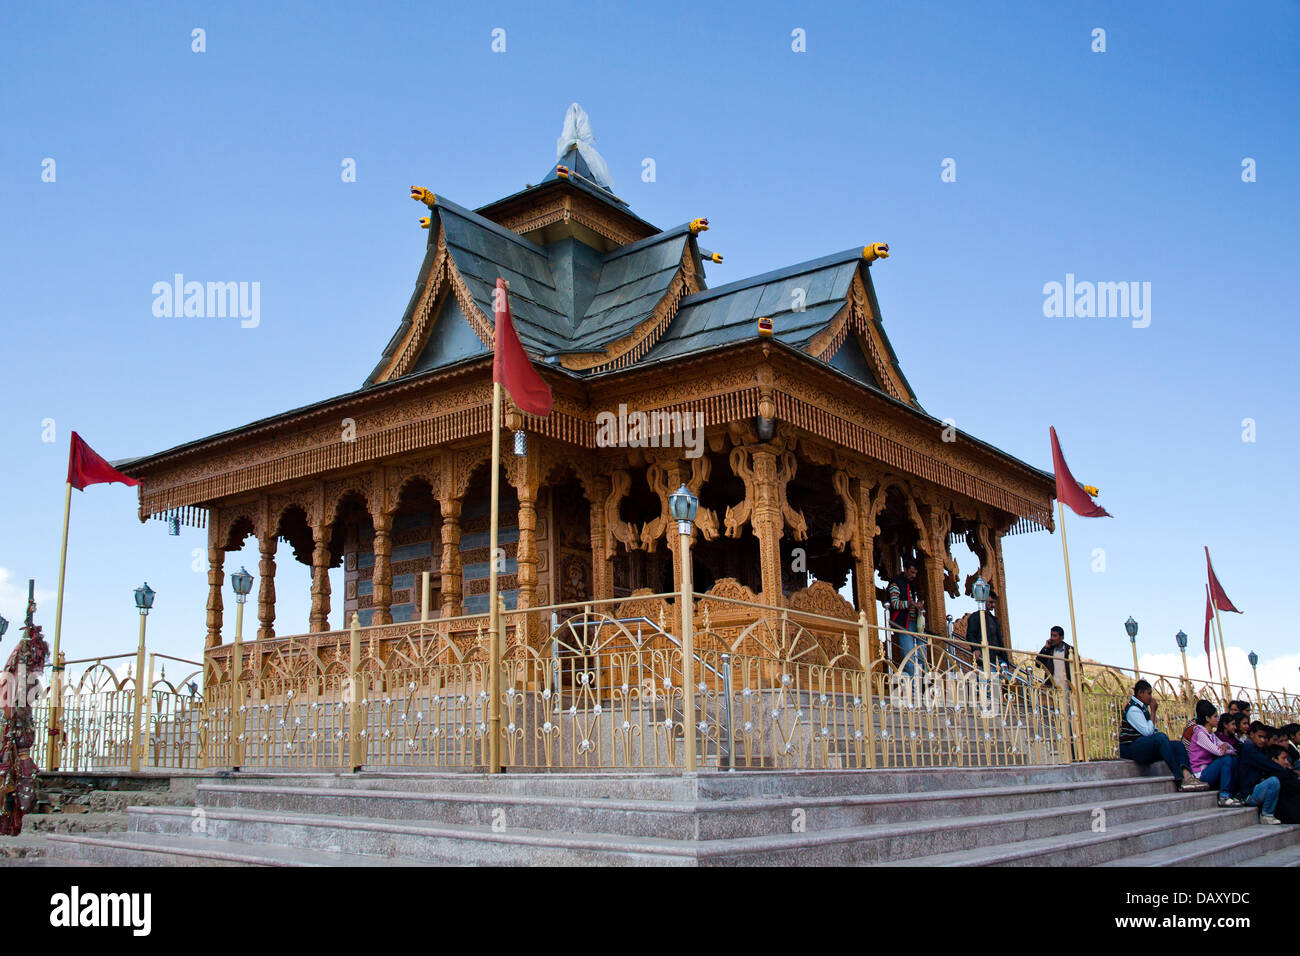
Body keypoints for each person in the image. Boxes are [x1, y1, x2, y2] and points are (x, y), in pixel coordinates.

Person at [1119, 680, 1208, 791]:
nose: (1151, 697)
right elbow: (1148, 732)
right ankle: (1179, 778)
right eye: (1148, 693)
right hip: (1131, 748)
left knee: (1177, 746)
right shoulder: (1133, 709)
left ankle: (1187, 776)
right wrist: (1153, 712)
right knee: (1160, 737)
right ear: (1140, 693)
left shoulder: (1142, 708)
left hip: (1142, 745)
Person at [1186, 701, 1241, 807]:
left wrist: (1225, 744)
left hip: (1210, 770)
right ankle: (1224, 796)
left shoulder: (1211, 734)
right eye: (1215, 716)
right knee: (1226, 759)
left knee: (1233, 759)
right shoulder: (1200, 734)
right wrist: (1227, 749)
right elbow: (1219, 752)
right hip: (1201, 774)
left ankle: (1232, 793)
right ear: (1207, 718)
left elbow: (1231, 748)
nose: (1217, 719)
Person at [1237, 721, 1284, 825]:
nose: (1262, 740)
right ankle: (1267, 815)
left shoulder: (1257, 749)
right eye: (1260, 736)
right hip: (1249, 795)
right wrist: (1285, 771)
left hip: (1254, 789)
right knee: (1273, 782)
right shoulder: (1249, 749)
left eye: (1264, 737)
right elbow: (1267, 764)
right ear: (1252, 734)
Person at [888, 559, 925, 676]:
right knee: (909, 657)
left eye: (915, 573)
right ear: (905, 569)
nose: (914, 576)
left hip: (916, 623)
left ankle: (923, 683)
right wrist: (909, 604)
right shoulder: (896, 583)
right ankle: (913, 687)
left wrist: (918, 607)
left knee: (922, 654)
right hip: (904, 624)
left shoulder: (911, 584)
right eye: (912, 572)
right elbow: (894, 603)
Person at [965, 598, 1012, 671]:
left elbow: (999, 640)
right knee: (992, 680)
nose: (993, 605)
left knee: (1007, 680)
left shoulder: (994, 619)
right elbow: (970, 635)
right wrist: (976, 649)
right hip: (986, 658)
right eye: (991, 602)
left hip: (999, 657)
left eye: (994, 602)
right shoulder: (975, 617)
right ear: (984, 601)